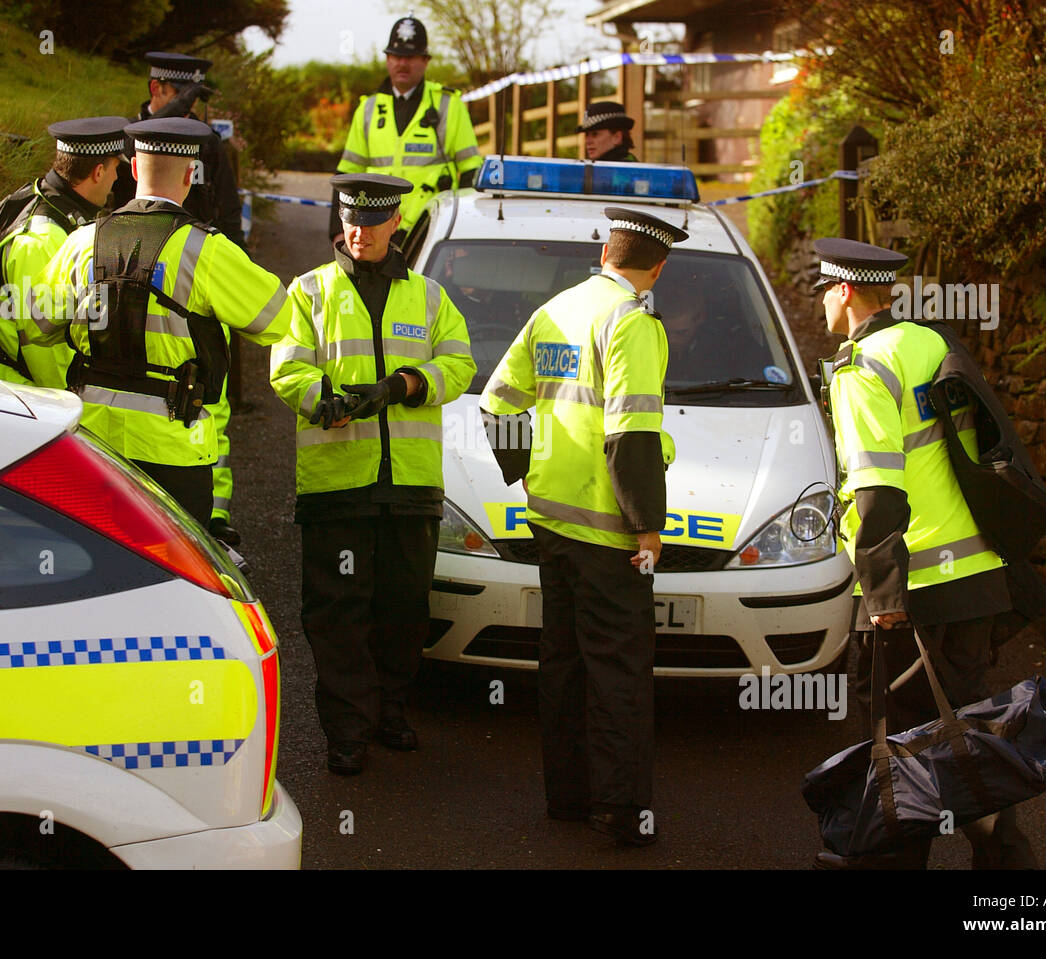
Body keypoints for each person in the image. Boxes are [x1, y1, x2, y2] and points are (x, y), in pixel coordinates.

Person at [812, 237, 1037, 870]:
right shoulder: (932, 344)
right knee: (960, 737)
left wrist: (882, 596)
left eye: (825, 291)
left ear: (847, 291)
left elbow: (880, 488)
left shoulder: (861, 368)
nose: (822, 304)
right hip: (974, 578)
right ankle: (1010, 872)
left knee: (903, 742)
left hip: (912, 589)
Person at [479, 207, 687, 846]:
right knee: (619, 672)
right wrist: (647, 525)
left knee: (563, 661)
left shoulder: (559, 310)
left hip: (551, 521)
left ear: (605, 255)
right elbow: (632, 433)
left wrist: (528, 472)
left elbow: (497, 403)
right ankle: (621, 813)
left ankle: (566, 799)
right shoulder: (633, 321)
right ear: (658, 267)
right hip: (609, 534)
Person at [270, 173, 475, 776]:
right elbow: (286, 370)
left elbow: (459, 363)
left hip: (410, 487)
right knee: (337, 612)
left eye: (371, 220)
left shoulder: (430, 297)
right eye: (350, 218)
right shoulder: (307, 293)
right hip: (338, 486)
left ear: (394, 226)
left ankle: (390, 709)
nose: (358, 230)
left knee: (403, 608)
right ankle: (348, 728)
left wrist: (409, 384)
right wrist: (320, 400)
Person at [29, 117, 289, 527]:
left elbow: (38, 325)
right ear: (190, 175)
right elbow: (276, 319)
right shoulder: (207, 250)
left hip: (93, 445)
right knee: (175, 578)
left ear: (133, 171)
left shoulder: (81, 240)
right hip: (174, 453)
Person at [111, 51, 247, 544]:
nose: (191, 112)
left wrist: (231, 272)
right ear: (157, 91)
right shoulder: (131, 140)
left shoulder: (205, 143)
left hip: (202, 278)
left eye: (196, 101)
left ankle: (216, 516)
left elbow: (229, 210)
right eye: (181, 98)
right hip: (134, 275)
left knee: (212, 400)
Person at [0, 117, 128, 388]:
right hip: (30, 400)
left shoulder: (55, 208)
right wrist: (74, 401)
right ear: (98, 172)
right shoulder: (43, 238)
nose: (116, 179)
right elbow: (40, 344)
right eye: (115, 169)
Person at [330, 16, 482, 245]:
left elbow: (470, 170)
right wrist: (337, 231)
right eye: (397, 56)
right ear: (387, 59)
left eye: (410, 57)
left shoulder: (449, 105)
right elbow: (346, 174)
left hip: (431, 231)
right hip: (374, 227)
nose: (402, 64)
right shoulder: (368, 109)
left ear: (425, 61)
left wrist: (460, 234)